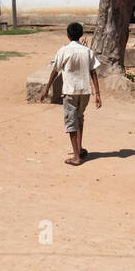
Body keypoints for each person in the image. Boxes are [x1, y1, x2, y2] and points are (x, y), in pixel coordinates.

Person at [40, 22, 102, 166]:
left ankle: (76, 157)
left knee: (71, 122)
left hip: (70, 91)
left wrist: (47, 88)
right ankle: (79, 149)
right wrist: (98, 94)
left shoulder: (64, 50)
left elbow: (55, 71)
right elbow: (93, 72)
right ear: (81, 35)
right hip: (85, 91)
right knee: (79, 119)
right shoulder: (87, 51)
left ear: (68, 35)